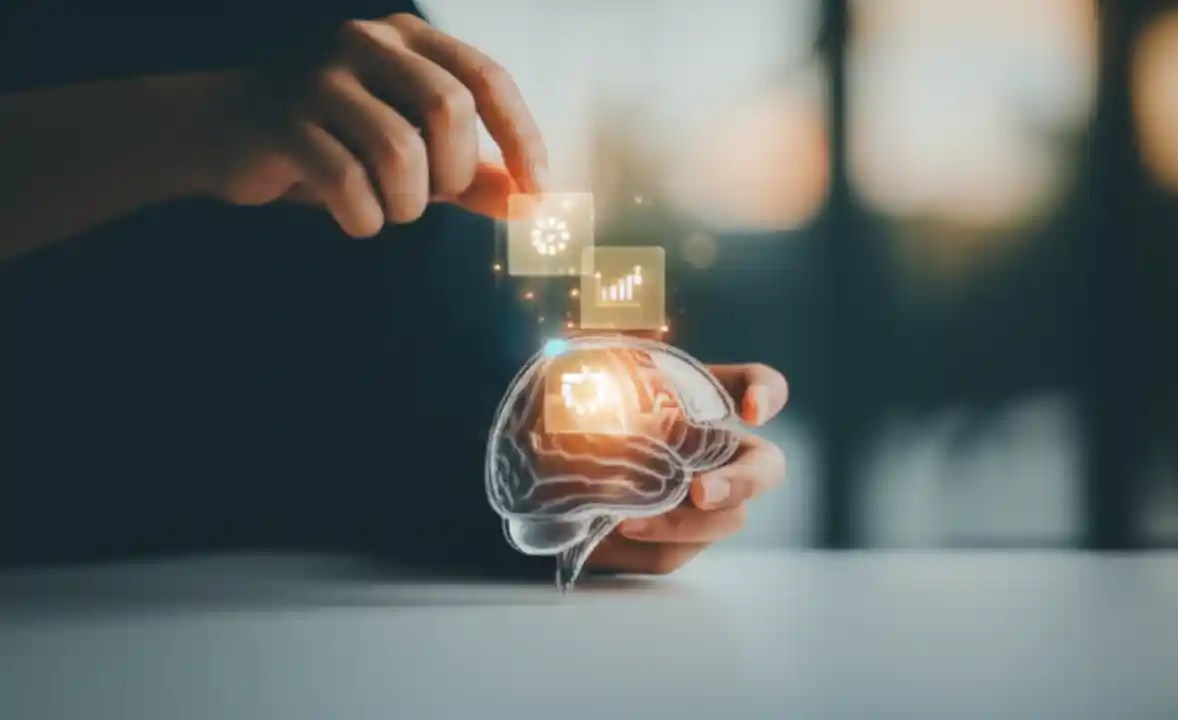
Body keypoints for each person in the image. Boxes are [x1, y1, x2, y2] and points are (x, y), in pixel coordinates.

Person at [0, 5, 788, 576]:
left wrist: (571, 482)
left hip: (338, 638)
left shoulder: (387, 70)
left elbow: (425, 390)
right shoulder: (336, 71)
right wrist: (195, 123)